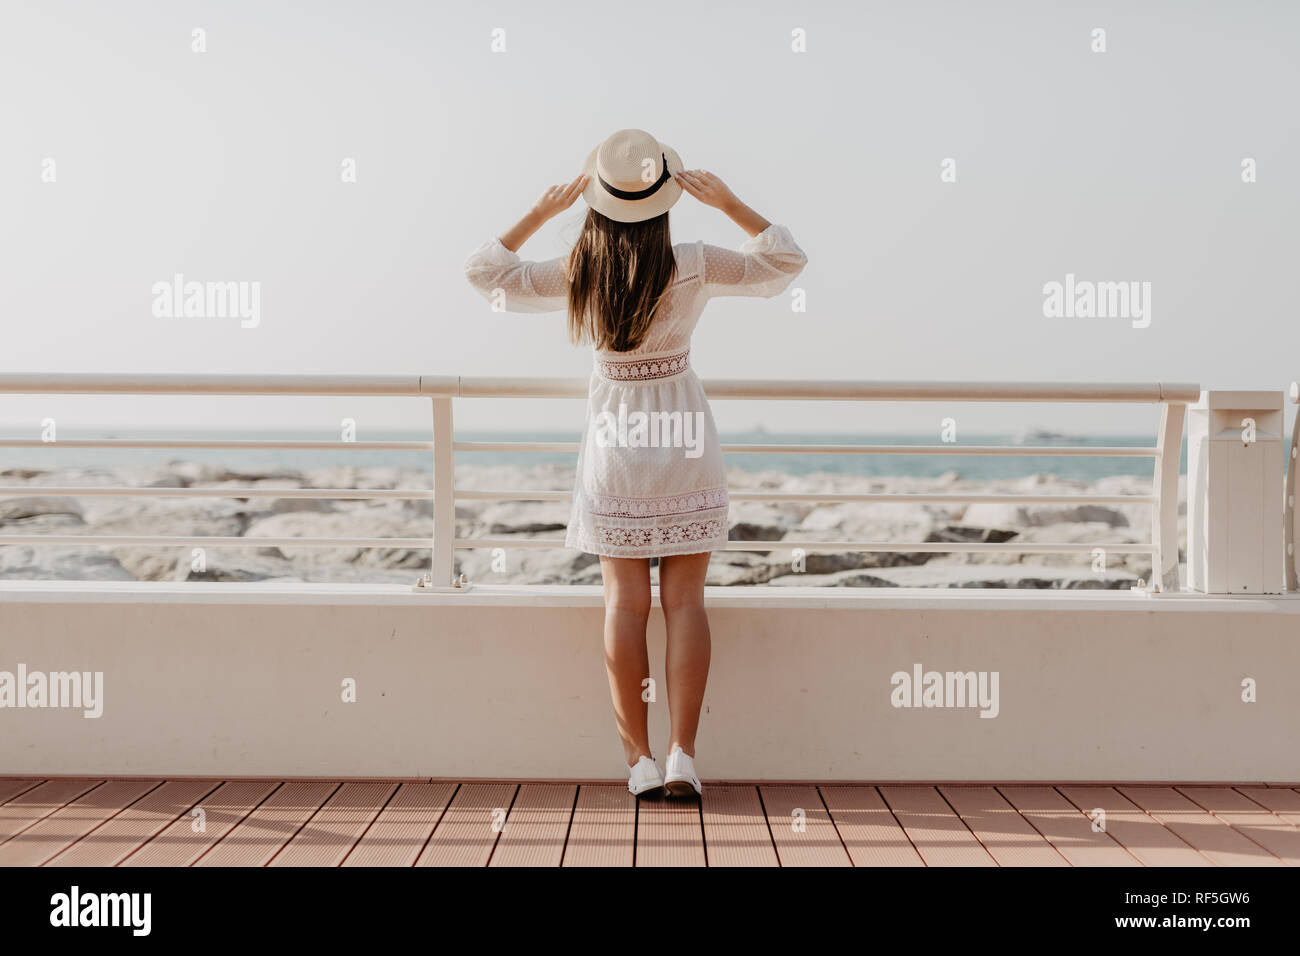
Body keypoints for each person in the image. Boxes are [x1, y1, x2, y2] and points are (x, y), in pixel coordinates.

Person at [466, 129, 807, 797]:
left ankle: (640, 764)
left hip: (615, 449)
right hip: (684, 444)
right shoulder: (697, 262)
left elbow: (486, 274)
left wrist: (539, 211)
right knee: (686, 604)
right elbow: (785, 262)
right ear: (667, 198)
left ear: (596, 200)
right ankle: (684, 755)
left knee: (624, 606)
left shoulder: (578, 272)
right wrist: (731, 202)